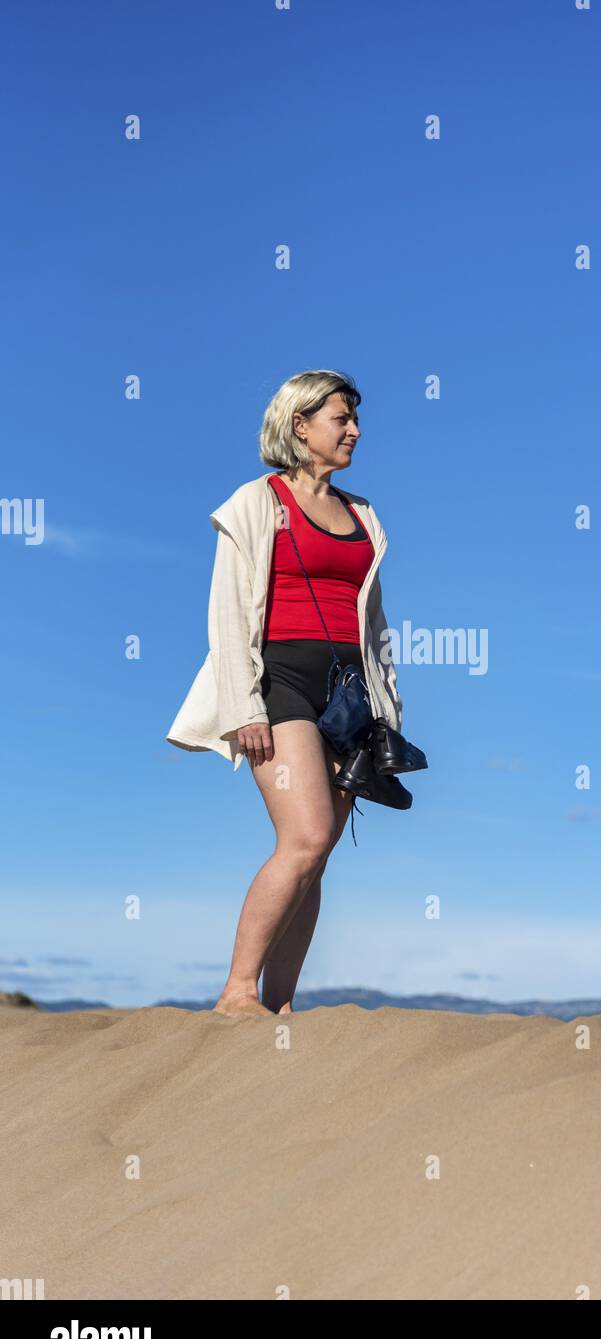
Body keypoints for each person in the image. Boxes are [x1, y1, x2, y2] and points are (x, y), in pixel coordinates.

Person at [166, 370, 403, 1017]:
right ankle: (236, 992)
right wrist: (243, 705)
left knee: (318, 854)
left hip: (349, 690)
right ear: (300, 426)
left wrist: (388, 710)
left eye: (355, 420)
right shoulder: (257, 501)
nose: (353, 430)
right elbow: (227, 610)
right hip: (279, 681)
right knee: (305, 835)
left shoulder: (364, 515)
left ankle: (281, 1002)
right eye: (340, 419)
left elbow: (373, 620)